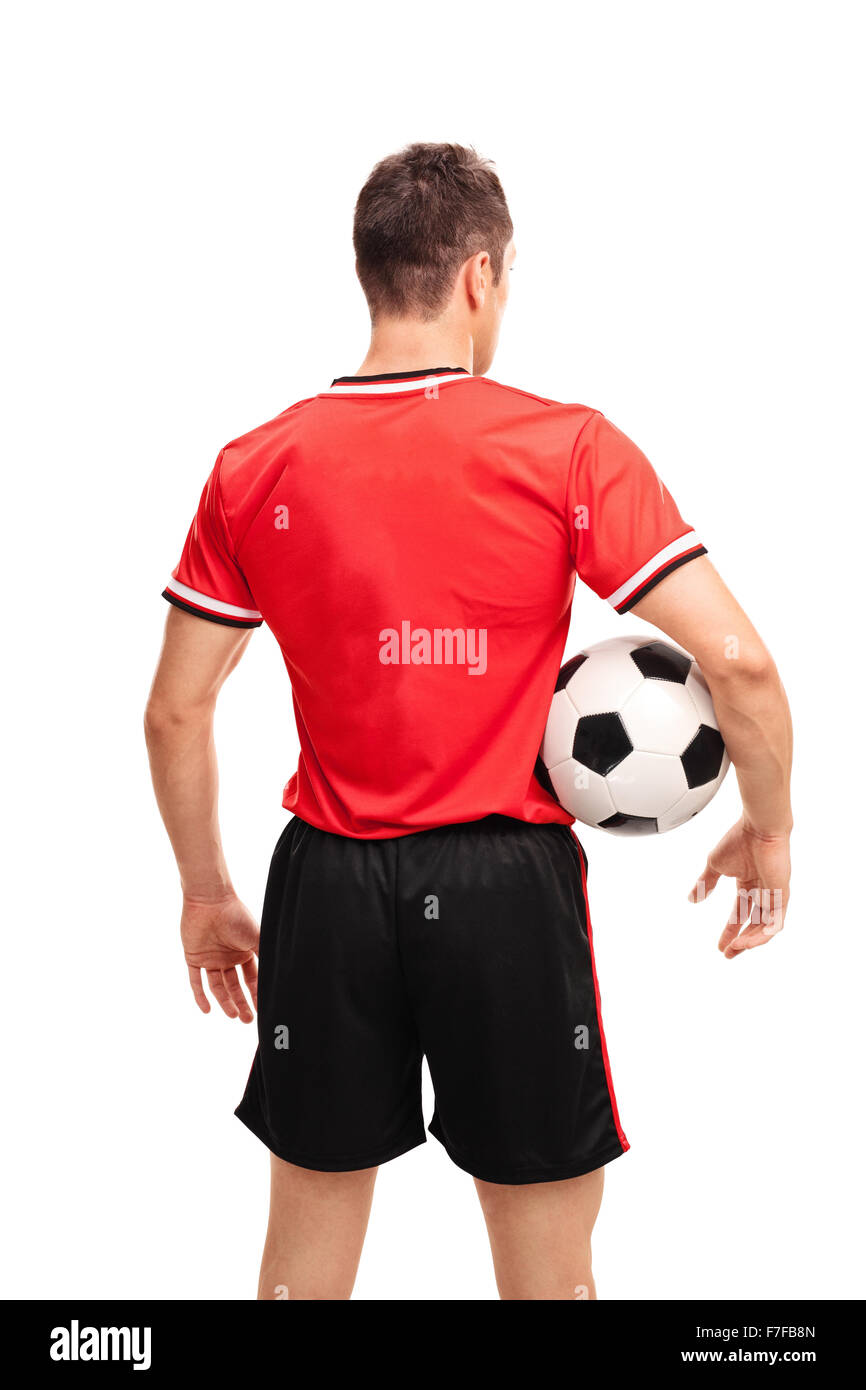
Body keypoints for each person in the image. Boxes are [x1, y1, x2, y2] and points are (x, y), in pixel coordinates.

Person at [145, 143, 793, 1301]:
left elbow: (175, 708)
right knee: (549, 1281)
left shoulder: (253, 465)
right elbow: (737, 664)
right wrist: (768, 824)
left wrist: (206, 891)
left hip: (328, 883)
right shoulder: (566, 446)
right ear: (479, 275)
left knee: (300, 1276)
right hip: (502, 888)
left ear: (371, 273)